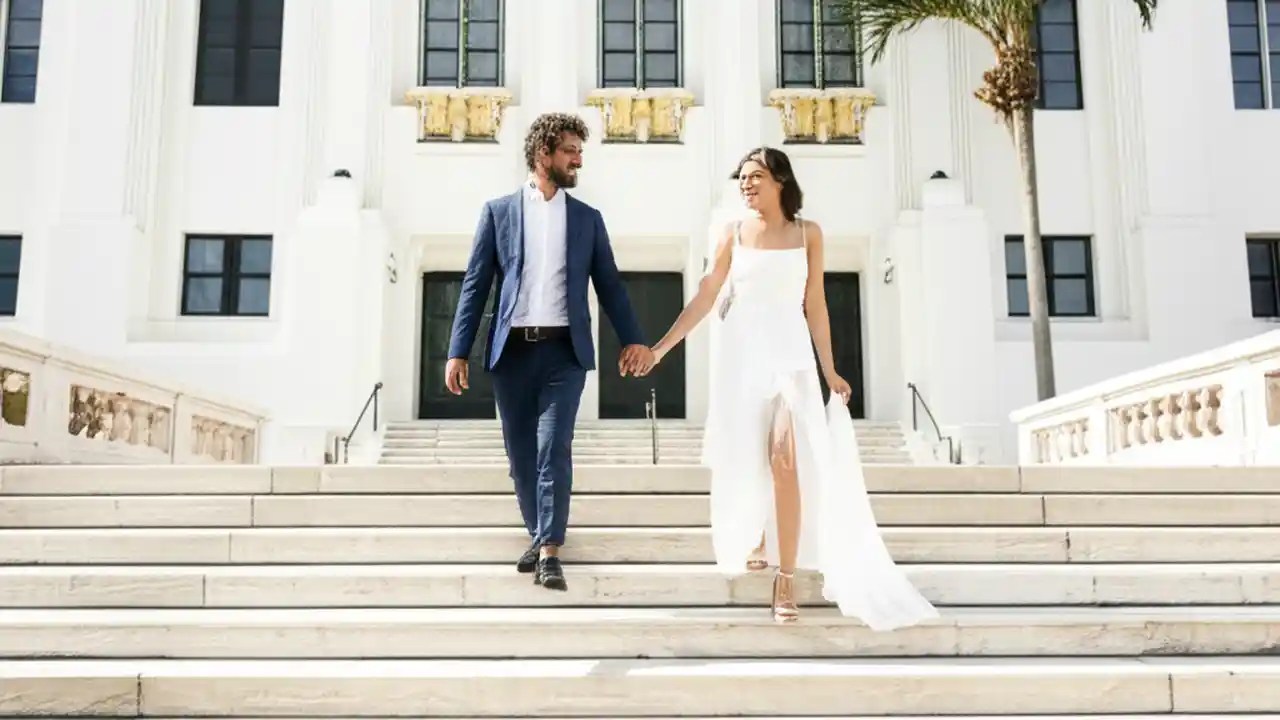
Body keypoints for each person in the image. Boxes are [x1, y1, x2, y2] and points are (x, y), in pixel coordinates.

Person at [645, 146, 937, 629]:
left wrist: (831, 370)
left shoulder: (809, 234)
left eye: (755, 175)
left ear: (780, 180)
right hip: (742, 359)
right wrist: (660, 349)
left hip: (791, 358)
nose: (746, 184)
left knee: (785, 458)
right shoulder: (732, 234)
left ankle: (786, 577)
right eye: (741, 178)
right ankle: (757, 531)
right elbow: (704, 296)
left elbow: (816, 304)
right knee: (747, 455)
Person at [445, 113, 655, 592]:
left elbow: (611, 287)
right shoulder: (498, 213)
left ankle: (550, 553)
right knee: (521, 458)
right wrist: (457, 351)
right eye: (569, 151)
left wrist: (635, 338)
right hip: (512, 355)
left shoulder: (586, 219)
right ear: (543, 153)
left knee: (552, 447)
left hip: (564, 353)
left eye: (580, 151)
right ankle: (539, 534)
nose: (578, 159)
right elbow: (475, 287)